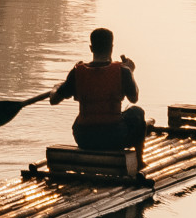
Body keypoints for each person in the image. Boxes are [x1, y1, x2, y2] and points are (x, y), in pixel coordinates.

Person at [42, 28, 146, 174]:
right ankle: (140, 161)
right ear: (111, 47)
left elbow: (54, 100)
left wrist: (56, 88)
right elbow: (134, 98)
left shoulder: (77, 72)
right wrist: (131, 71)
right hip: (115, 138)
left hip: (84, 139)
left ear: (91, 48)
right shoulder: (123, 71)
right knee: (137, 112)